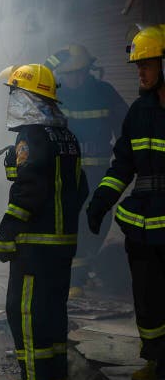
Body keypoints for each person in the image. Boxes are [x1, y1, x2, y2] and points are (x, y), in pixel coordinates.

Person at [0, 64, 88, 380]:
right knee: (53, 309)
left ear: (29, 97)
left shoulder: (31, 136)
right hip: (62, 244)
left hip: (34, 245)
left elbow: (27, 190)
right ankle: (56, 377)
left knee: (24, 311)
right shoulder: (67, 136)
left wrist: (6, 233)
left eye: (14, 92)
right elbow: (79, 187)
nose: (11, 98)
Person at [86, 25, 165, 380]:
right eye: (138, 66)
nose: (140, 72)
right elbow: (123, 165)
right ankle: (155, 359)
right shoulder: (139, 111)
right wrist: (101, 199)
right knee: (147, 299)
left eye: (147, 64)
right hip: (144, 229)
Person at [43, 44, 128, 296]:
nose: (75, 78)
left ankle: (82, 269)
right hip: (67, 173)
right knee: (73, 222)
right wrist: (51, 61)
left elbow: (126, 127)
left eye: (79, 72)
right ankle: (74, 279)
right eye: (69, 74)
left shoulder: (105, 92)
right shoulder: (56, 95)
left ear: (89, 70)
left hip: (99, 173)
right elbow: (37, 86)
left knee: (100, 220)